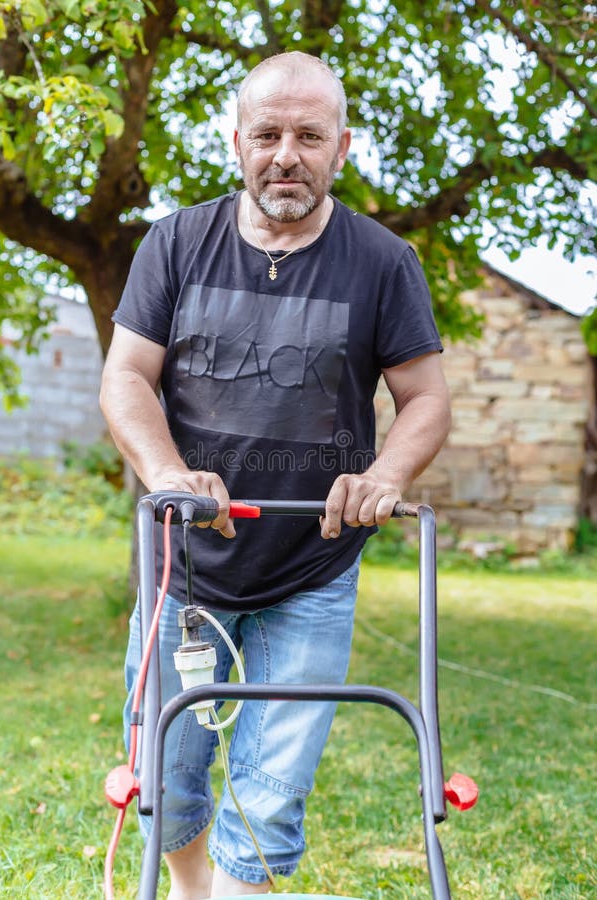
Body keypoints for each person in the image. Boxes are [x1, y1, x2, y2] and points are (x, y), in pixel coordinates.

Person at [100, 50, 451, 900]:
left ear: (343, 147)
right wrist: (172, 475)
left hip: (313, 568)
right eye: (267, 134)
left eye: (308, 135)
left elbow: (427, 400)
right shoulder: (177, 242)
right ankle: (188, 890)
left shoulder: (383, 262)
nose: (285, 154)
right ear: (237, 142)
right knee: (169, 763)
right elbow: (125, 379)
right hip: (186, 567)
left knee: (275, 786)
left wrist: (385, 472)